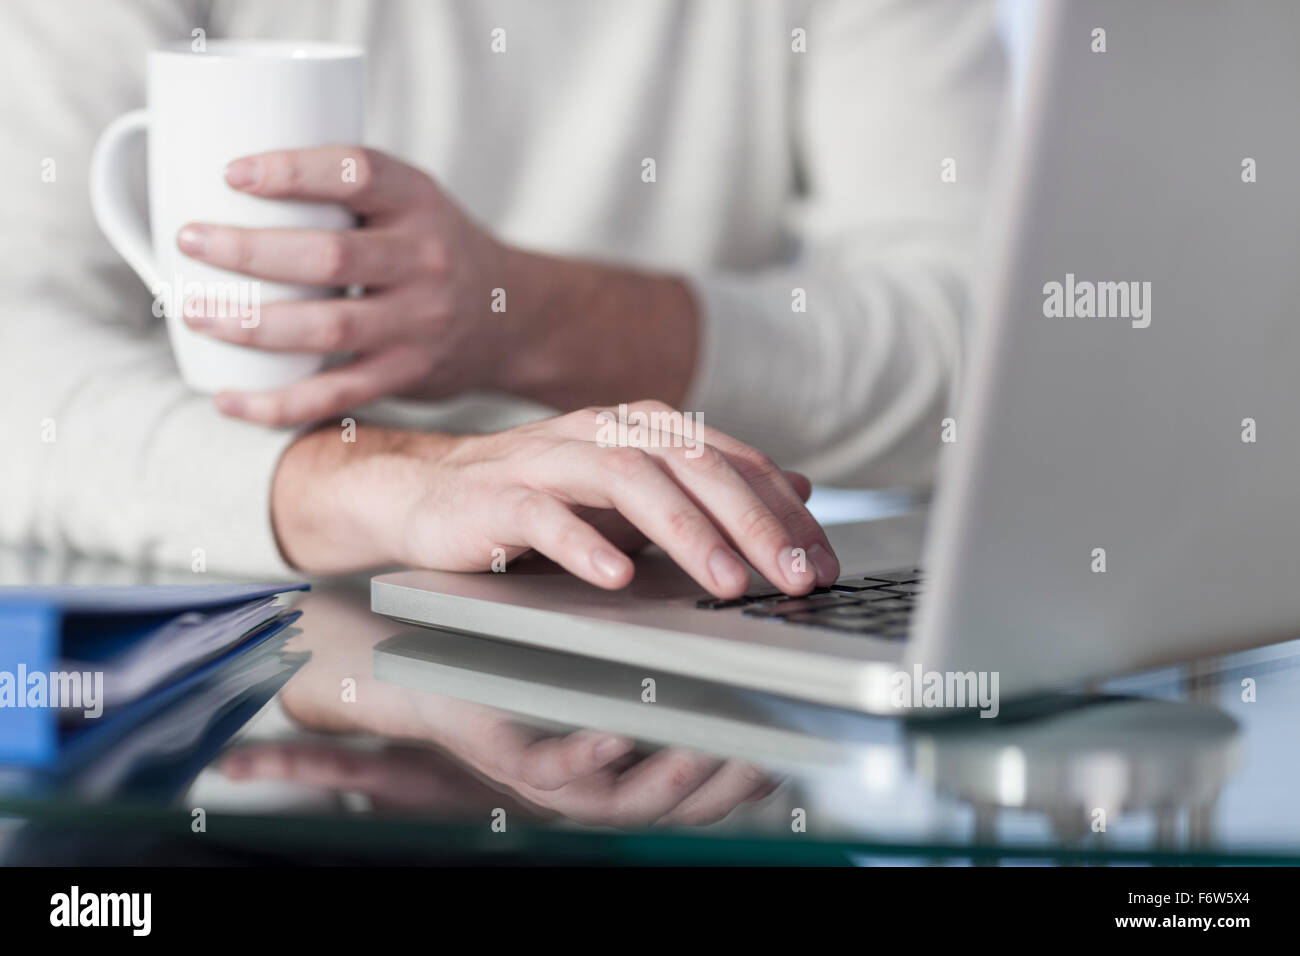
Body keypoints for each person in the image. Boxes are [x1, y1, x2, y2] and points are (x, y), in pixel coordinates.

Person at [0, 0, 1006, 596]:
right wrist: (384, 485)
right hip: (219, 689)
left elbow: (990, 356)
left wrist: (531, 315)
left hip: (675, 655)